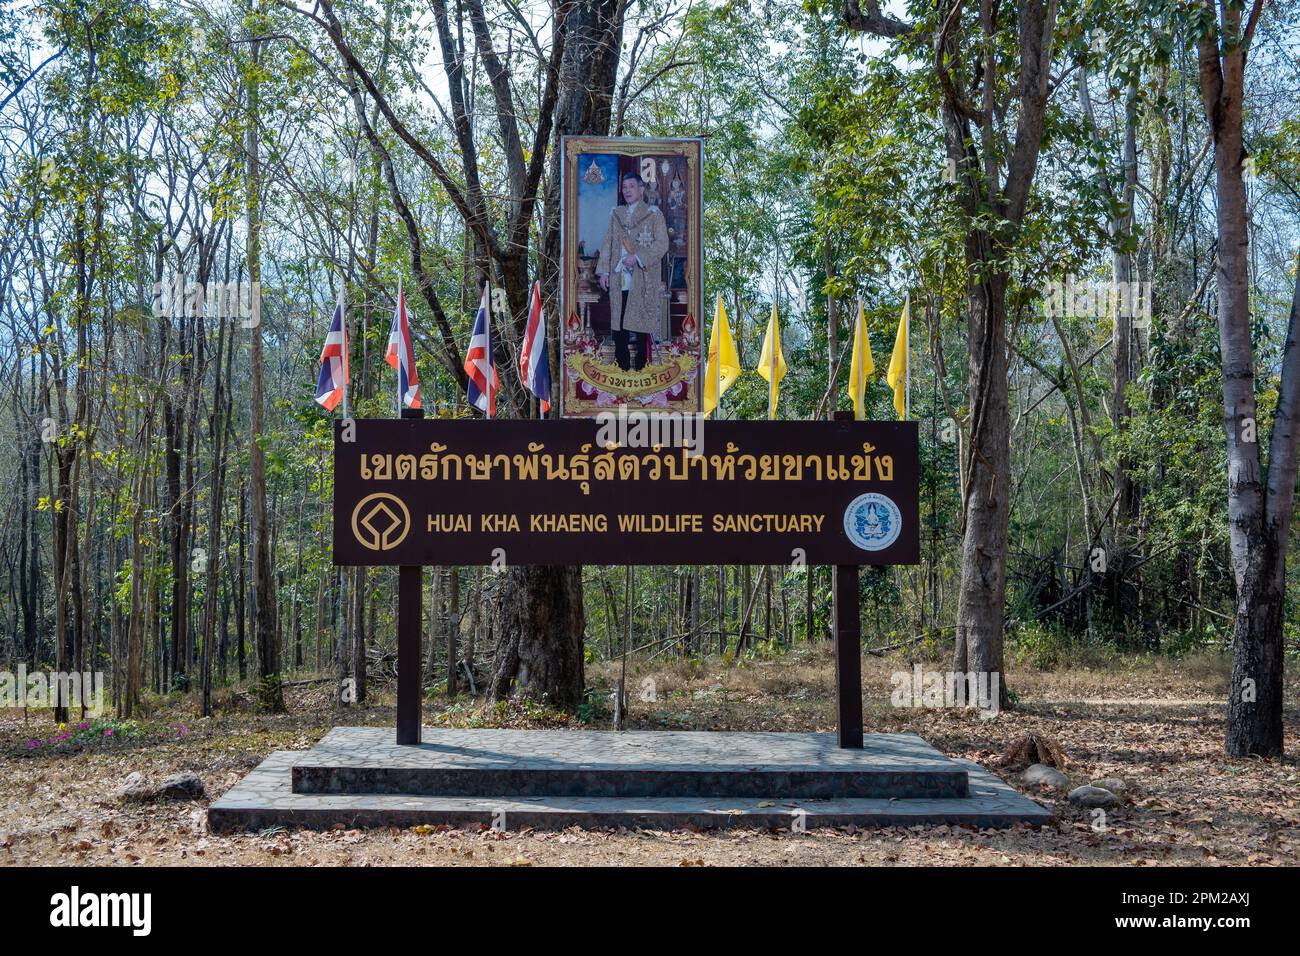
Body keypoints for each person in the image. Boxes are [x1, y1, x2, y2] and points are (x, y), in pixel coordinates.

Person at [597, 172, 670, 371]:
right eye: (624, 187)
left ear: (641, 189)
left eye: (631, 186)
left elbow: (662, 243)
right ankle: (621, 370)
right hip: (619, 277)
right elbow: (608, 243)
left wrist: (637, 257)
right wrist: (604, 272)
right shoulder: (616, 214)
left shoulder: (653, 214)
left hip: (642, 279)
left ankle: (641, 370)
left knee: (640, 326)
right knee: (619, 326)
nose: (627, 190)